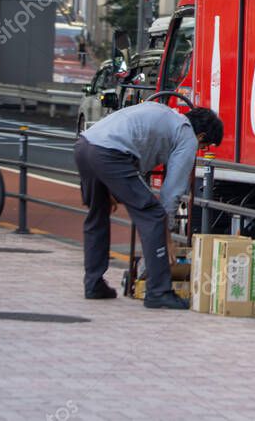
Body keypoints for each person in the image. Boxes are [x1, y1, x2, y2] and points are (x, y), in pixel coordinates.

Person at [74, 102, 223, 309]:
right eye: (204, 146)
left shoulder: (165, 113)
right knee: (154, 215)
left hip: (85, 145)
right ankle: (159, 291)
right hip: (110, 153)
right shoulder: (188, 136)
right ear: (202, 136)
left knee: (97, 215)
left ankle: (93, 283)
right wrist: (168, 235)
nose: (200, 150)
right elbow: (171, 193)